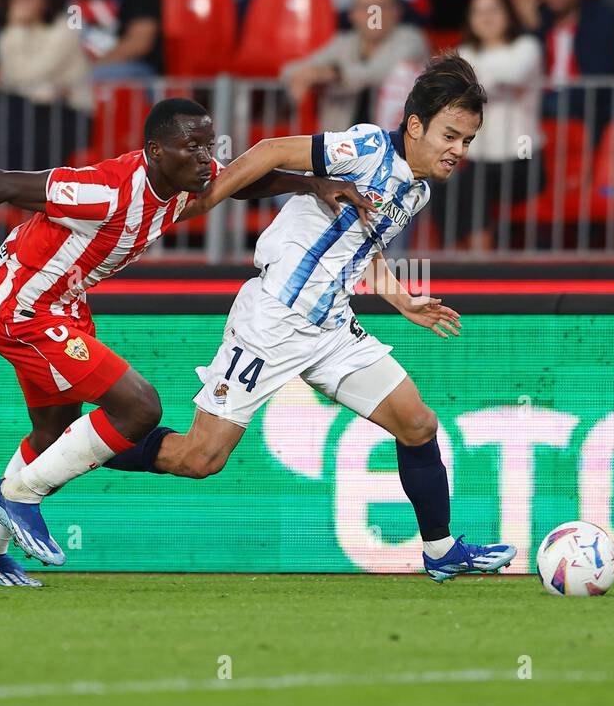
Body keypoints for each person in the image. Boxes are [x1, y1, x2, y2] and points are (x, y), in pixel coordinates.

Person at [0, 98, 376, 587]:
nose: (205, 159)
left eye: (207, 145)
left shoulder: (185, 179)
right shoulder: (105, 192)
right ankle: (17, 495)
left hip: (63, 306)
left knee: (54, 434)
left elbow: (244, 182)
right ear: (155, 151)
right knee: (139, 407)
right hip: (20, 307)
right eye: (191, 147)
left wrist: (313, 183)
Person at [103, 55, 520, 584]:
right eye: (451, 135)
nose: (459, 150)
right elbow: (273, 150)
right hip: (273, 319)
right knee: (200, 457)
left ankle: (439, 550)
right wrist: (209, 198)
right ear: (415, 125)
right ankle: (84, 445)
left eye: (468, 140)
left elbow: (362, 245)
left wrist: (399, 299)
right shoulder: (366, 148)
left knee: (418, 424)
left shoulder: (417, 190)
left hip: (330, 329)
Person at [434, 0, 543, 250]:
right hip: (476, 158)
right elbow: (459, 87)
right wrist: (492, 82)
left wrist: (476, 80)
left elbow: (515, 74)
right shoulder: (464, 52)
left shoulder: (527, 46)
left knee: (475, 180)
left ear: (508, 14)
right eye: (478, 11)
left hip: (523, 158)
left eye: (493, 9)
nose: (486, 17)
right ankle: (461, 255)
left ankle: (480, 254)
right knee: (441, 181)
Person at [280, 0, 430, 133]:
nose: (374, 14)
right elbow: (289, 70)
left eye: (381, 6)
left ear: (397, 11)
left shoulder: (411, 39)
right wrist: (309, 74)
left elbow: (379, 72)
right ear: (352, 14)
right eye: (366, 7)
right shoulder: (343, 43)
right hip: (341, 146)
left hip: (395, 146)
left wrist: (333, 74)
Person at [0, 0, 93, 171]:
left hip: (69, 113)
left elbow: (31, 74)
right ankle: (7, 196)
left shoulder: (65, 30)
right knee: (7, 111)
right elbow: (10, 76)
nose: (22, 4)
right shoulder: (11, 32)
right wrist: (15, 28)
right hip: (32, 109)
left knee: (19, 113)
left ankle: (31, 196)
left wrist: (38, 91)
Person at [515, 0, 614, 122]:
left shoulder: (602, 19)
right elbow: (523, 72)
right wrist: (531, 29)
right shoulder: (537, 21)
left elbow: (599, 81)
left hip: (591, 111)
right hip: (545, 108)